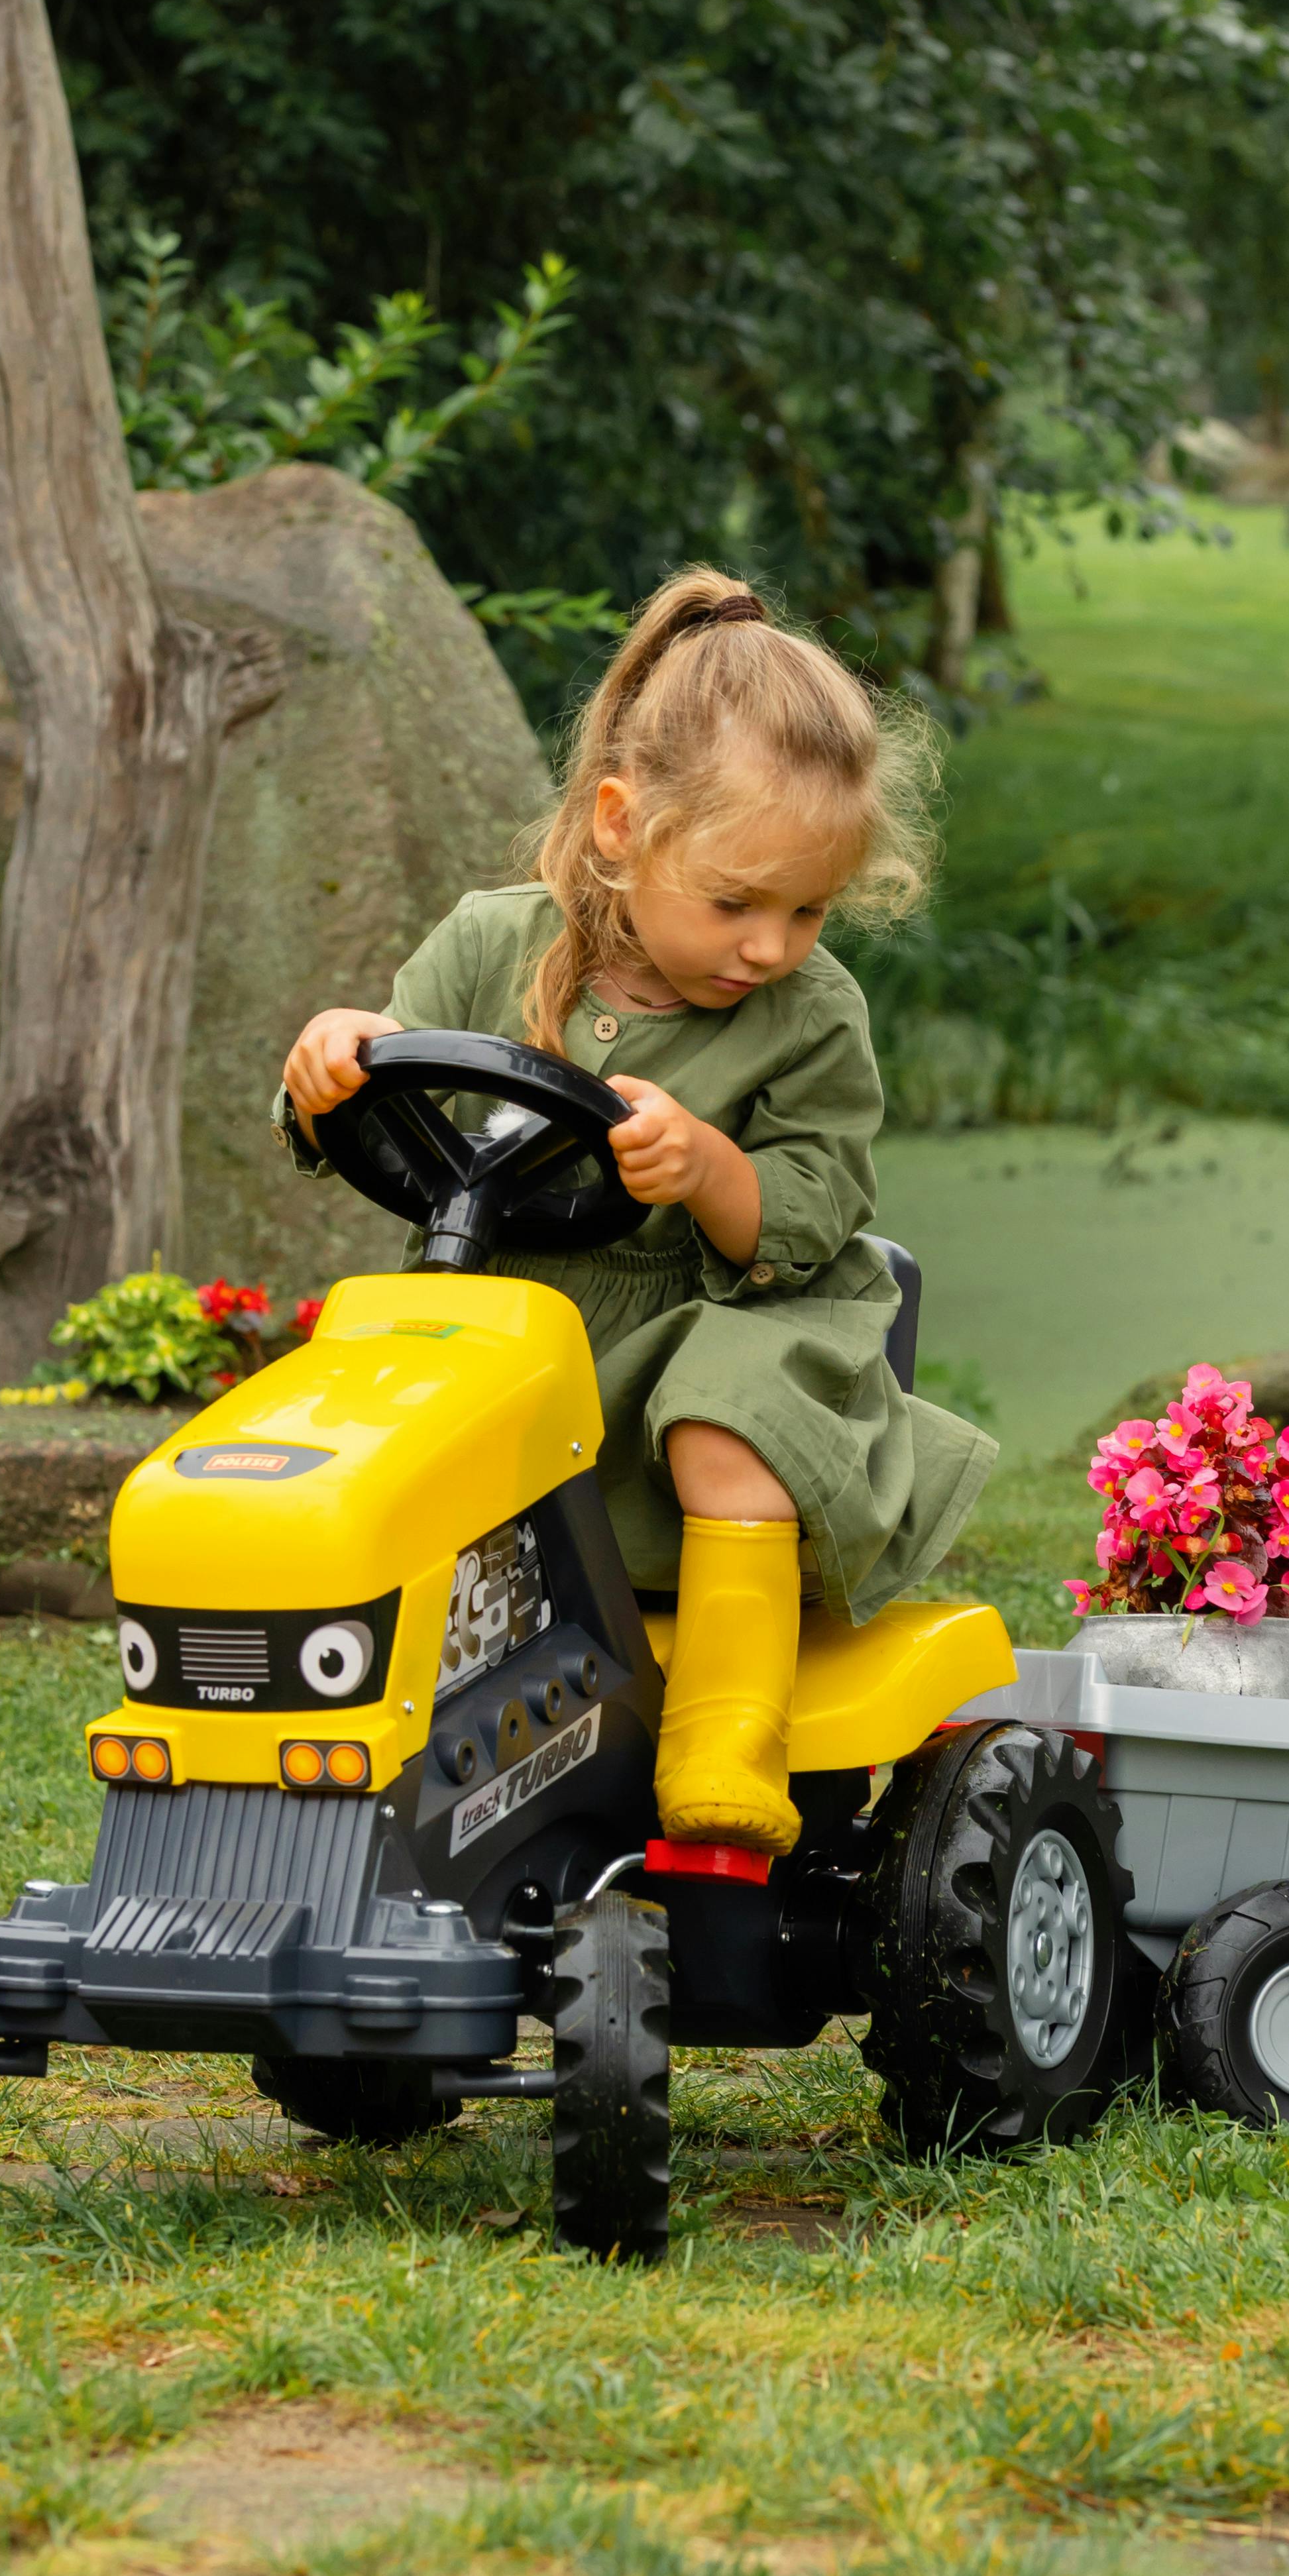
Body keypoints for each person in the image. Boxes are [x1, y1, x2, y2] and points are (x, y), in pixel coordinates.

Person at [276, 568, 993, 1858]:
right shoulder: (487, 946)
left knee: (720, 1412)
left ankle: (725, 1731)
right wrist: (332, 1061)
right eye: (736, 902)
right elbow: (378, 1088)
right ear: (620, 826)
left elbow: (818, 1212)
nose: (771, 944)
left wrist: (715, 1169)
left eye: (808, 909)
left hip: (728, 1316)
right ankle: (328, 1730)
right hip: (514, 1330)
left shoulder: (809, 1014)